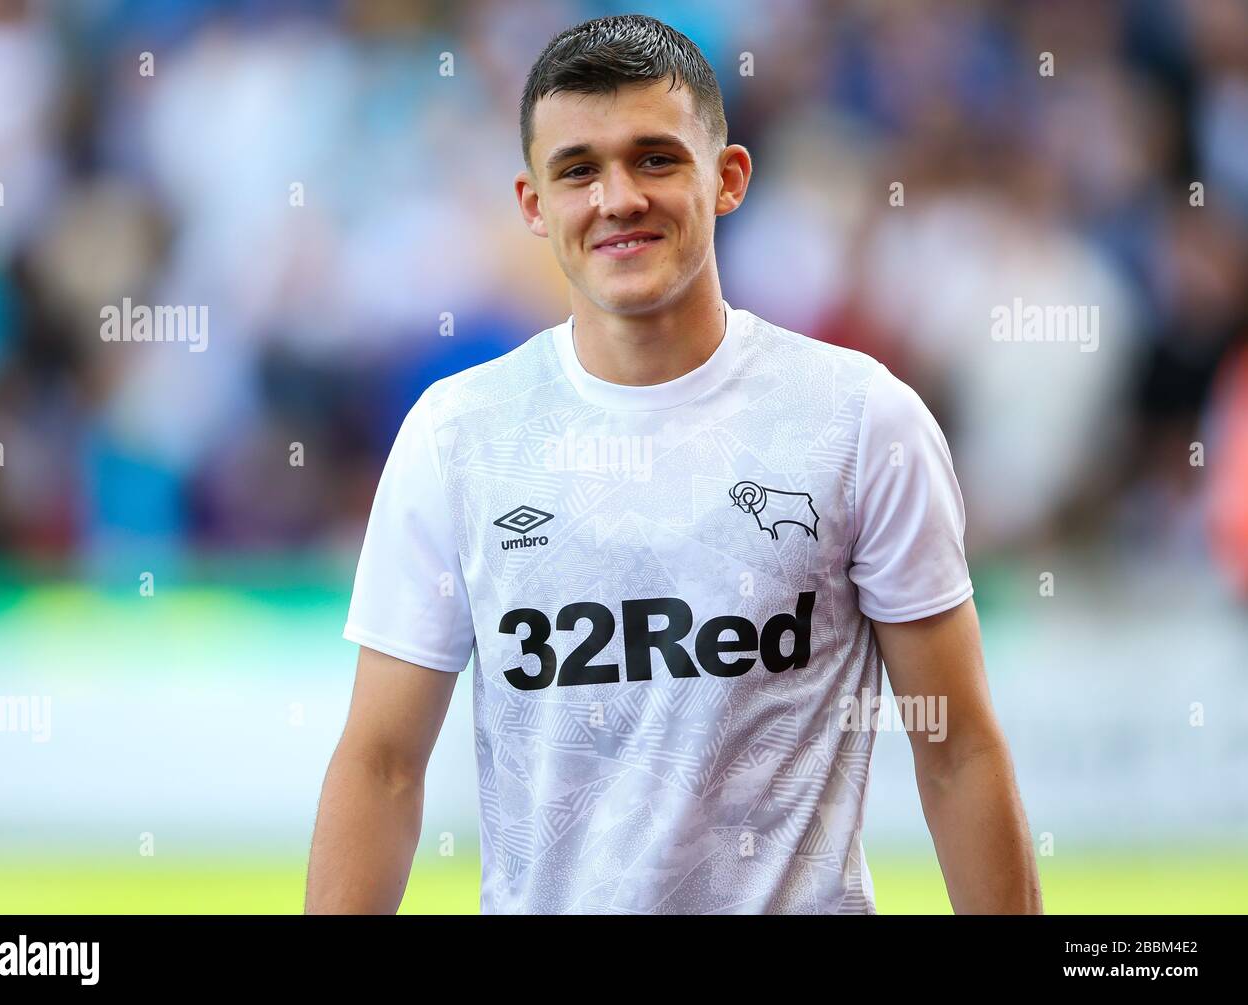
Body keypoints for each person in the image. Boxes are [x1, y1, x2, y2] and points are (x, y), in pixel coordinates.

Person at [305, 13, 1042, 915]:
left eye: (655, 158)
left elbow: (958, 746)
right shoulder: (458, 435)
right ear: (533, 204)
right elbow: (381, 766)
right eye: (578, 169)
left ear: (727, 178)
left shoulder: (860, 419)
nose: (618, 198)